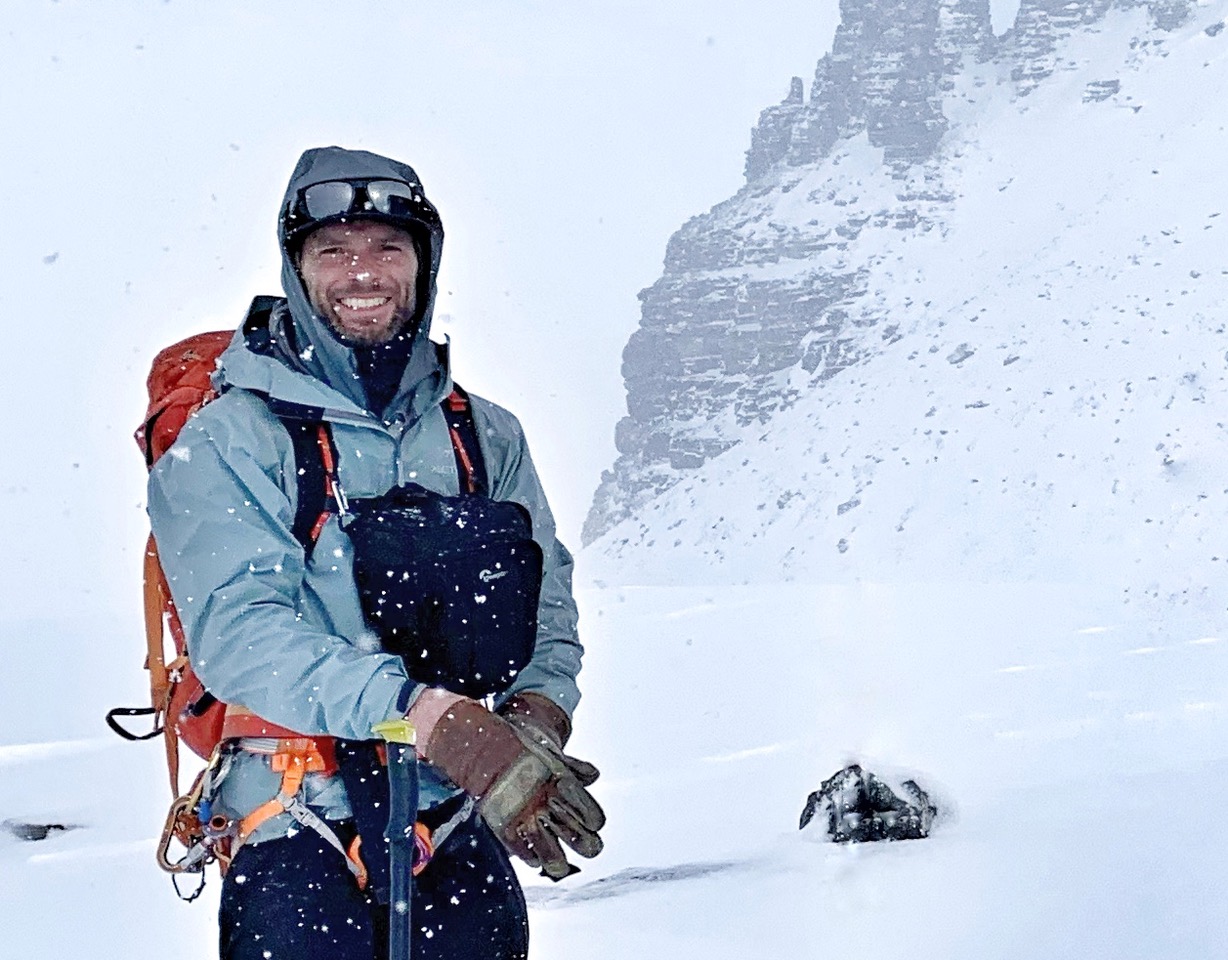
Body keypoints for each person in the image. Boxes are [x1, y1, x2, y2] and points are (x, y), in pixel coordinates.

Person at [147, 145, 604, 960]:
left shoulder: (483, 434)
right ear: (297, 269)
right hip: (296, 815)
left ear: (425, 262)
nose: (364, 272)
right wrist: (434, 719)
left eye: (388, 247)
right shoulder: (228, 439)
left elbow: (549, 600)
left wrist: (534, 715)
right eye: (334, 250)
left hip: (454, 813)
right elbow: (242, 635)